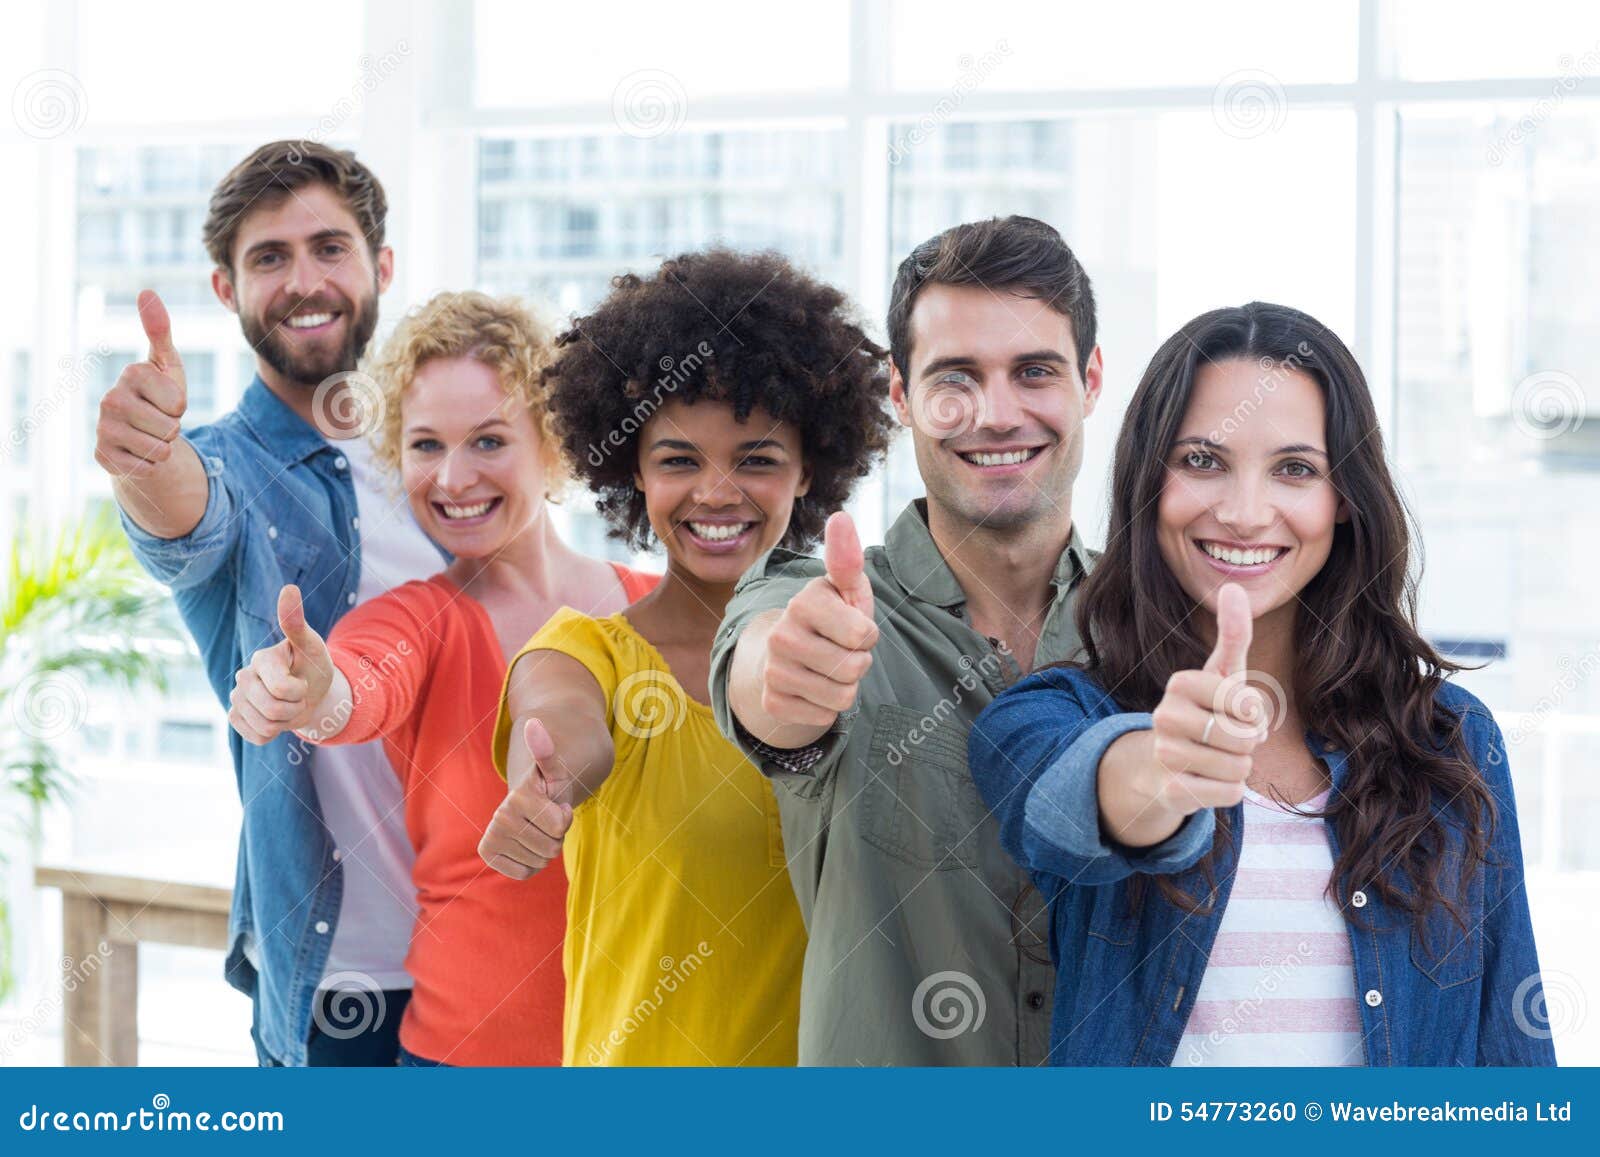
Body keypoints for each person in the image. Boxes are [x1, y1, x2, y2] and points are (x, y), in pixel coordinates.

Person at [968, 301, 1553, 1066]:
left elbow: (1512, 1054)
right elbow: (1070, 798)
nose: (1245, 514)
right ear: (1149, 483)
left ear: (1345, 500)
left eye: (1295, 469)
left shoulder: (1452, 739)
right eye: (1202, 461)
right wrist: (1161, 772)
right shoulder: (1049, 715)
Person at [480, 248, 895, 1065]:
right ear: (633, 470)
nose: (715, 492)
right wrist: (548, 784)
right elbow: (563, 726)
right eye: (678, 459)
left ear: (808, 469)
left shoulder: (853, 656)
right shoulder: (584, 654)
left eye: (756, 459)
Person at [710, 216, 1103, 1065]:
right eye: (955, 377)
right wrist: (791, 672)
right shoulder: (815, 599)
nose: (996, 415)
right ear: (901, 394)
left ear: (1091, 380)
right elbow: (765, 669)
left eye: (1034, 372)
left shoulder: (1154, 627)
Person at [226, 291, 656, 1065]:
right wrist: (314, 693)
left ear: (552, 440)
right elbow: (358, 686)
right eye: (426, 445)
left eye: (488, 440)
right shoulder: (418, 621)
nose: (454, 477)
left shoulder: (655, 608)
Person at [97, 141, 444, 1066]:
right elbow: (184, 517)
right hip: (342, 984)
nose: (304, 281)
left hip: (498, 955)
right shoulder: (227, 465)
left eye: (330, 248)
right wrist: (145, 457)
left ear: (381, 267)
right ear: (227, 288)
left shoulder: (456, 458)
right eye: (269, 258)